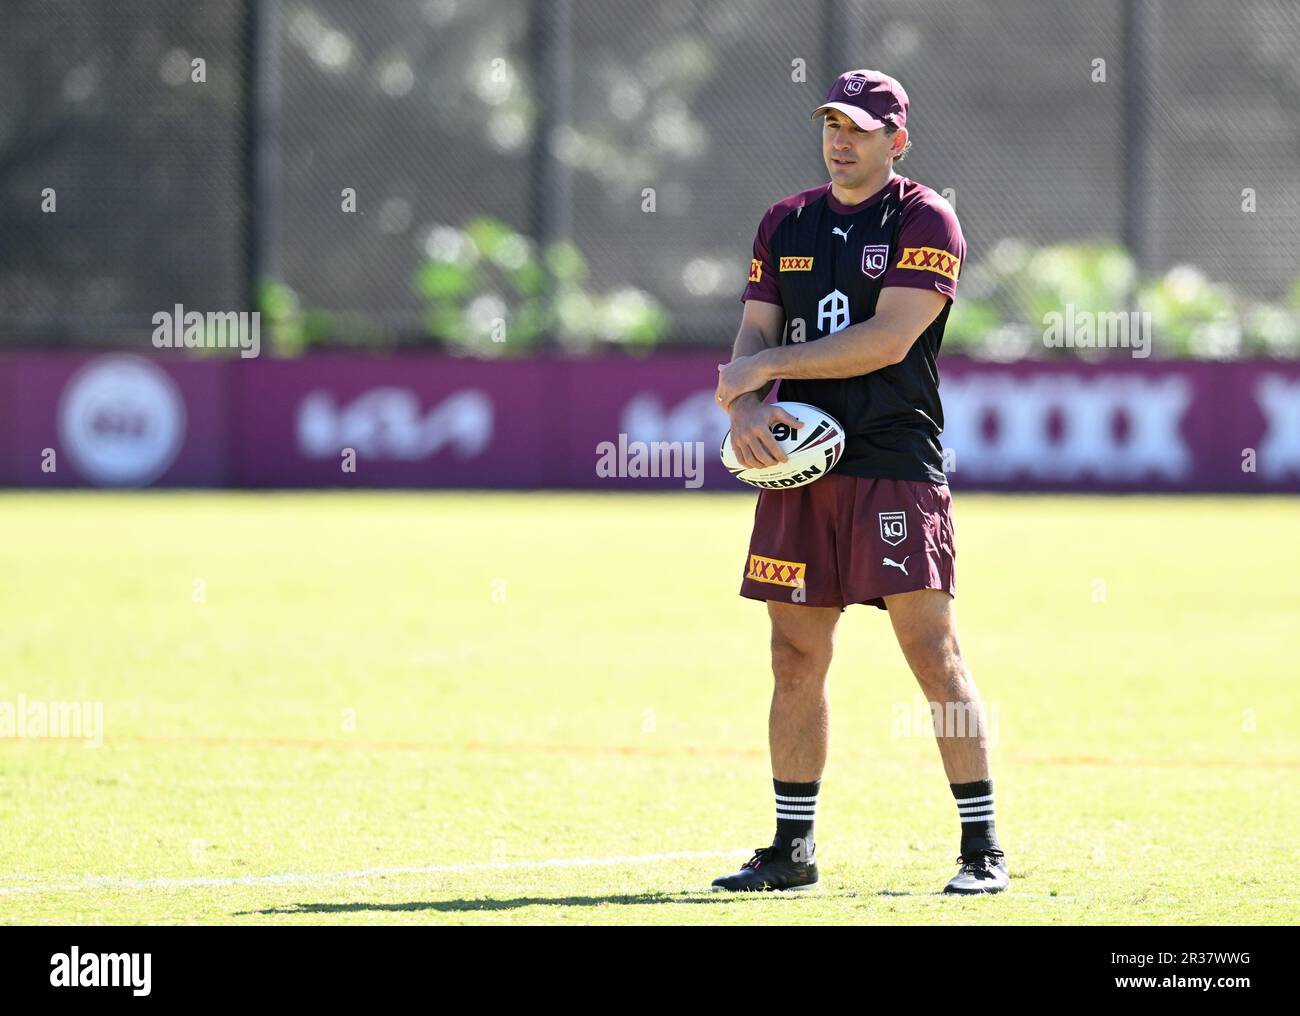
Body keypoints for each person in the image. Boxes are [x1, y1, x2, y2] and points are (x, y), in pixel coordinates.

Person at [711, 69, 1006, 895]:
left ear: (896, 140)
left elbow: (886, 339)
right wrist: (745, 405)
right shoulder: (786, 221)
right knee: (794, 653)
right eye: (833, 124)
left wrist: (763, 368)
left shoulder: (924, 218)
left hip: (891, 460)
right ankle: (791, 851)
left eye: (862, 128)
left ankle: (981, 848)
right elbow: (752, 333)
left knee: (930, 652)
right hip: (798, 465)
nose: (842, 140)